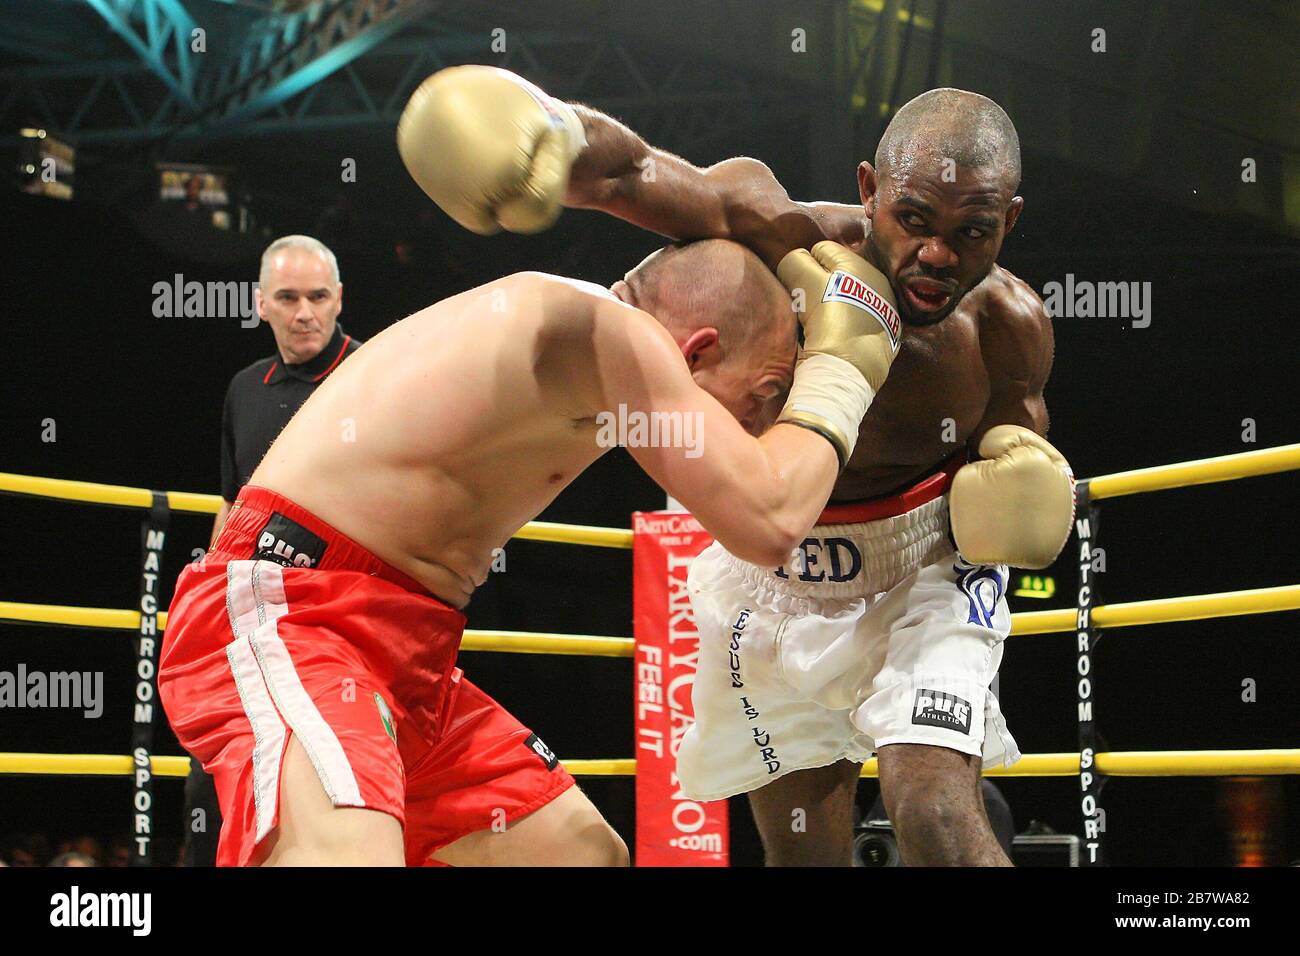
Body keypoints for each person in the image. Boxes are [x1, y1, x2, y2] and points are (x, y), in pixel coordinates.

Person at [397, 67, 1076, 865]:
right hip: (776, 571)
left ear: (1011, 220)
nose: (934, 254)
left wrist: (1024, 492)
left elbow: (1017, 467)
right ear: (868, 189)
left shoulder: (1009, 326)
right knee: (800, 852)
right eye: (914, 218)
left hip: (923, 572)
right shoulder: (788, 237)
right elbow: (636, 172)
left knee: (931, 809)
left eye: (973, 232)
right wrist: (549, 130)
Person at [159, 235, 903, 866]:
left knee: (585, 860)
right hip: (297, 612)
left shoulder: (587, 349)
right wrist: (844, 370)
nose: (759, 424)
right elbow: (770, 519)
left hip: (406, 650)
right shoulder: (610, 329)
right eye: (766, 394)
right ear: (697, 350)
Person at [183, 235, 362, 867]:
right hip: (256, 617)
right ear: (261, 304)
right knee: (216, 771)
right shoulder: (244, 388)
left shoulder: (374, 375)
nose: (304, 312)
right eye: (288, 298)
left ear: (339, 299)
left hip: (348, 619)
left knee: (333, 777)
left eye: (317, 296)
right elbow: (230, 504)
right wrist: (206, 596)